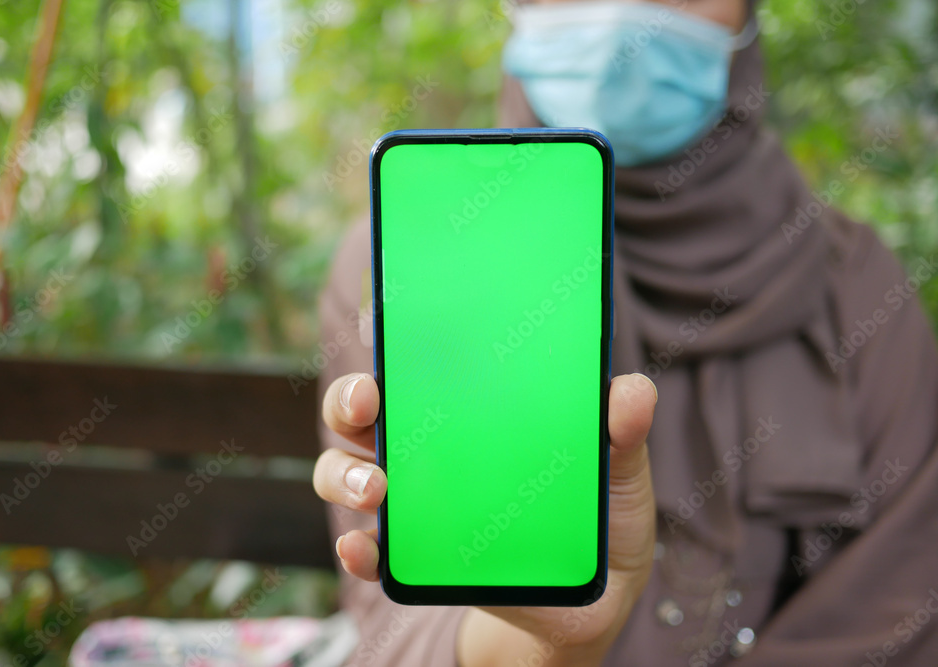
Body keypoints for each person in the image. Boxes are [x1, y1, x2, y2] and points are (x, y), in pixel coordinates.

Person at [313, 0, 938, 664]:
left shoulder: (859, 286)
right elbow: (397, 635)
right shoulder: (401, 261)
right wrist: (549, 642)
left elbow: (902, 605)